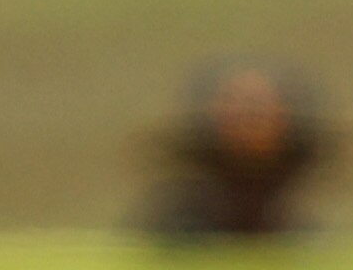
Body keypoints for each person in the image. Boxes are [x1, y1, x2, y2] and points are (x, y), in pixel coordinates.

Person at [136, 59, 334, 242]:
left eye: (258, 107)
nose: (249, 116)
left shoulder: (292, 218)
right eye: (237, 104)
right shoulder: (181, 213)